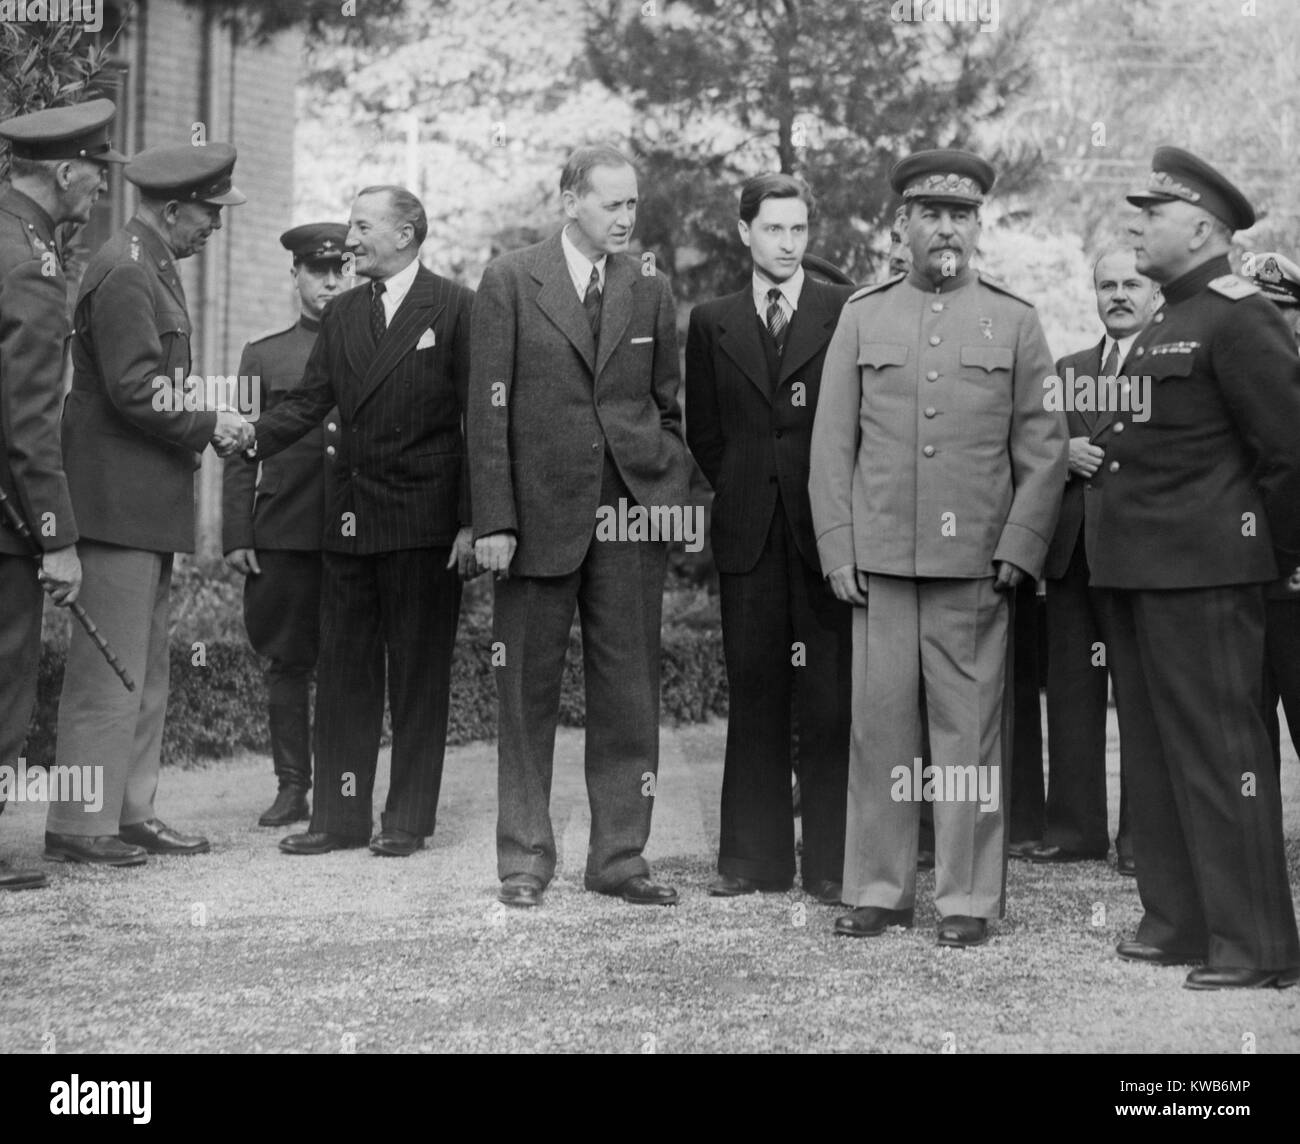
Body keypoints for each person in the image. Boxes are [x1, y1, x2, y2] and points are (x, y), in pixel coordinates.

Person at [810, 148, 1066, 948]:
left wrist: (1020, 547)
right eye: (931, 214)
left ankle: (965, 899)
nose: (946, 228)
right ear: (903, 225)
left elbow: (1044, 448)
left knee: (969, 739)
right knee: (879, 734)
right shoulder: (864, 314)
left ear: (977, 225)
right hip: (881, 565)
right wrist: (838, 545)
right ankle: (879, 889)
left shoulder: (1016, 321)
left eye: (960, 215)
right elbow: (831, 442)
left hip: (974, 571)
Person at [1095, 147, 1300, 989]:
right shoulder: (1167, 317)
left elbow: (1288, 452)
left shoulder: (1238, 314)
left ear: (1205, 228)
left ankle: (1256, 946)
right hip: (1140, 576)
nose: (1139, 223)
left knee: (1223, 760)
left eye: (1156, 213)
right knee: (1151, 758)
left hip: (1208, 577)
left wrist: (1269, 558)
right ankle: (1178, 919)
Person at [468, 144, 694, 908]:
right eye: (611, 203)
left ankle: (620, 857)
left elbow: (666, 403)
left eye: (633, 204)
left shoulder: (649, 288)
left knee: (629, 690)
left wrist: (663, 488)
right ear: (570, 201)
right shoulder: (509, 278)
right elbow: (486, 409)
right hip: (535, 520)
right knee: (525, 691)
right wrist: (494, 518)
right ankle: (525, 859)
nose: (626, 218)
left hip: (629, 516)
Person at [248, 186, 475, 858]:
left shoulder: (458, 307)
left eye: (362, 225)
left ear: (407, 233)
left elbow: (479, 423)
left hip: (423, 523)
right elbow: (310, 403)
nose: (351, 239)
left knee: (416, 675)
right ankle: (338, 819)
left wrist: (471, 522)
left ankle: (406, 819)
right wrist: (249, 437)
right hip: (347, 522)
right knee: (344, 672)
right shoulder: (345, 313)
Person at [44, 141, 249, 867]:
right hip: (115, 505)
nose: (213, 228)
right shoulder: (130, 269)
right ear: (172, 208)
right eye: (208, 215)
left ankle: (128, 811)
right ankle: (80, 823)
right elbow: (136, 388)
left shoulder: (145, 261)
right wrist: (210, 420)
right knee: (110, 670)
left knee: (143, 668)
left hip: (139, 504)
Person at [685, 173, 853, 906]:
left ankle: (831, 860)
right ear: (746, 231)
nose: (788, 244)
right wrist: (751, 486)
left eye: (799, 230)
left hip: (825, 533)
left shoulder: (843, 310)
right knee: (754, 694)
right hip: (748, 533)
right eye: (774, 229)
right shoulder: (711, 320)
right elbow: (707, 436)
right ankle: (752, 860)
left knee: (829, 697)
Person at [0, 100, 127, 888]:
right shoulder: (31, 262)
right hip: (8, 522)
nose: (98, 195)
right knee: (6, 674)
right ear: (65, 170)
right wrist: (57, 536)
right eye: (94, 176)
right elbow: (29, 417)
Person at [1030, 248, 1156, 875]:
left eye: (1132, 283)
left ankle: (1141, 838)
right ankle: (1075, 829)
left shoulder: (1172, 365)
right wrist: (1065, 450)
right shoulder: (1069, 367)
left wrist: (1100, 457)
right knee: (1073, 697)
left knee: (1141, 700)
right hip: (1074, 556)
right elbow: (1036, 447)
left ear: (1155, 292)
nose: (1119, 294)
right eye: (1107, 284)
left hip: (1140, 559)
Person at [222, 223, 346, 827]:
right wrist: (237, 533)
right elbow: (241, 446)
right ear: (294, 275)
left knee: (350, 662)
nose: (329, 281)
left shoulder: (373, 343)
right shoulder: (263, 355)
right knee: (287, 663)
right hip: (285, 529)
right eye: (316, 271)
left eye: (339, 269)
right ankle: (293, 785)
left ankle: (343, 787)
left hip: (355, 531)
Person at [1241, 250, 1300, 774]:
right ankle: (1253, 854)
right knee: (1244, 736)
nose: (1266, 322)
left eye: (1278, 309)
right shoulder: (1218, 386)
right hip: (1239, 585)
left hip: (1296, 584)